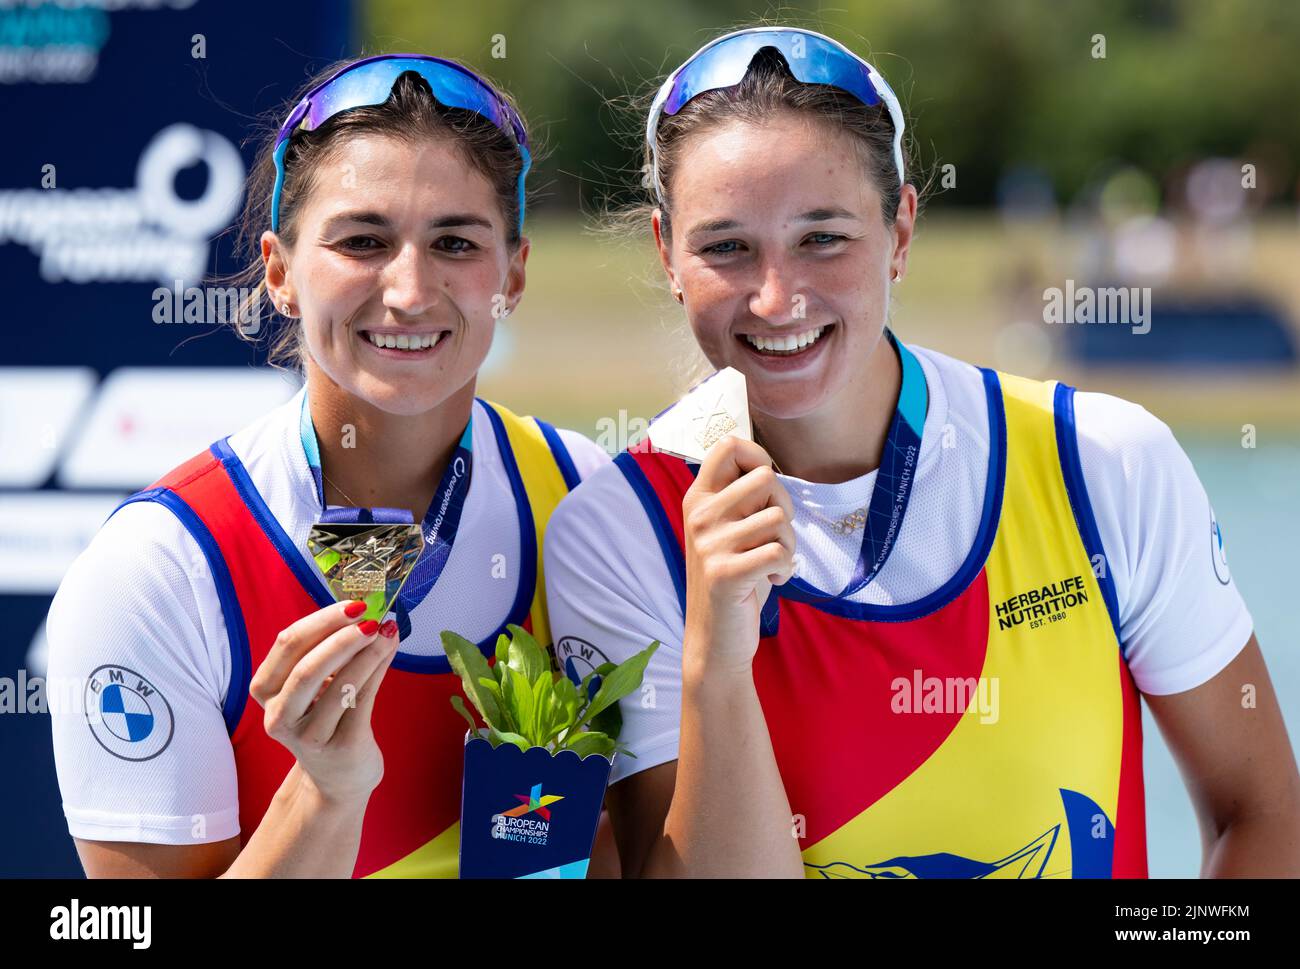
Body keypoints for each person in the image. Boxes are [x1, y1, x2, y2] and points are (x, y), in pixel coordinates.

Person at [543, 26, 1300, 878]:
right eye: (726, 247)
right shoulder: (614, 533)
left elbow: (1264, 814)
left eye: (823, 237)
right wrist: (716, 665)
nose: (777, 296)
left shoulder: (1106, 462)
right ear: (667, 254)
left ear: (901, 229)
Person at [46, 53, 608, 877]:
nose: (410, 291)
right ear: (279, 272)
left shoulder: (585, 500)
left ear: (513, 273)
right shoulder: (157, 570)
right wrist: (326, 792)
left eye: (455, 241)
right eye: (363, 241)